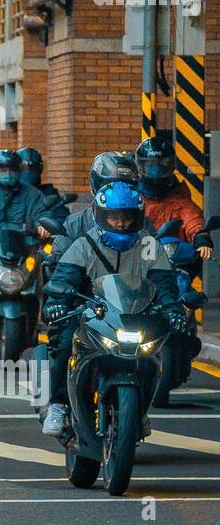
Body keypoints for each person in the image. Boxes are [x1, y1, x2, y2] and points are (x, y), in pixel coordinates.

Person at [40, 181, 187, 437]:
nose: (121, 223)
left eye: (127, 217)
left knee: (156, 353)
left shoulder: (150, 245)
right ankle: (59, 404)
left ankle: (139, 411)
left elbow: (165, 283)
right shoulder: (85, 244)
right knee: (63, 344)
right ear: (101, 215)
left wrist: (173, 310)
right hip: (92, 312)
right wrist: (57, 302)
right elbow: (63, 278)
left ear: (137, 216)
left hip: (135, 314)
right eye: (114, 217)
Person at [135, 136, 213, 260]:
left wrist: (200, 235)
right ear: (140, 165)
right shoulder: (133, 198)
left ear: (171, 165)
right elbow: (119, 220)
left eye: (162, 164)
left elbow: (192, 218)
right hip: (136, 261)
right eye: (151, 164)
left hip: (171, 263)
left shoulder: (178, 199)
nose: (156, 171)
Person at [0, 148, 59, 246]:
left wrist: (43, 225)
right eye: (3, 170)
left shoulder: (33, 194)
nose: (8, 174)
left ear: (19, 171)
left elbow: (42, 212)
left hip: (25, 248)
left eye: (12, 170)